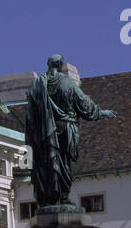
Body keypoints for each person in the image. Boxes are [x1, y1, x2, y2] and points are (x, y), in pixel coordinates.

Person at [24, 54, 117, 206]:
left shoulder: (37, 85)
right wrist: (102, 112)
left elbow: (30, 117)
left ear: (48, 65)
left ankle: (50, 197)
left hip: (45, 132)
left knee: (48, 162)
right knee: (64, 164)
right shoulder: (67, 83)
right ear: (60, 65)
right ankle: (63, 196)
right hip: (66, 128)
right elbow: (85, 105)